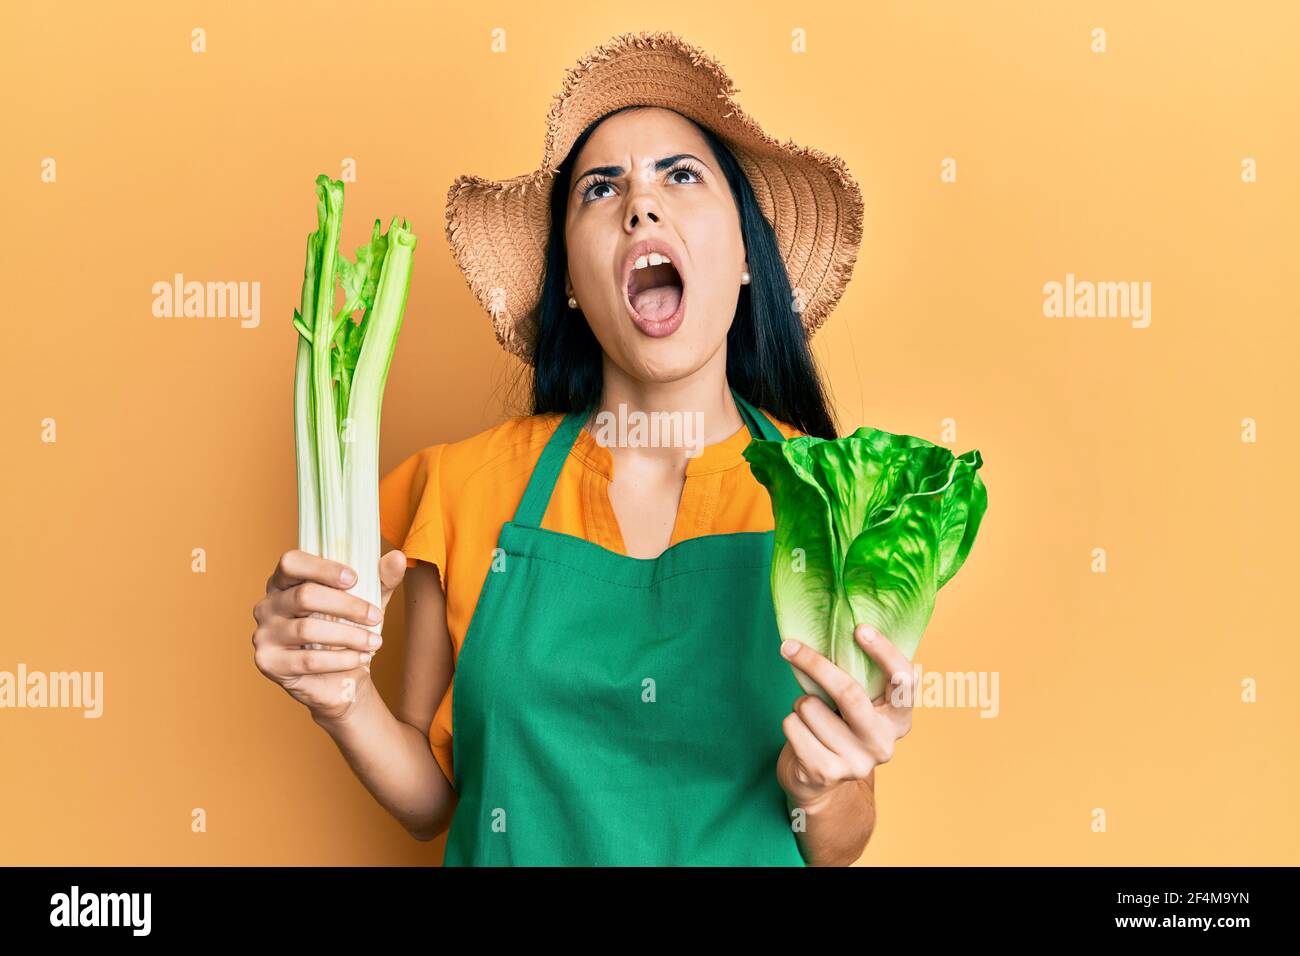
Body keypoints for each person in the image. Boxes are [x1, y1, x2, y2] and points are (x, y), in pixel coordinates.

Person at [252, 30, 917, 866]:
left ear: (748, 254)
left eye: (681, 174)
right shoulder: (465, 487)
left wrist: (820, 787)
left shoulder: (827, 501)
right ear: (569, 277)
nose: (641, 204)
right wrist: (339, 699)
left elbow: (838, 843)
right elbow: (430, 799)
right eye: (601, 189)